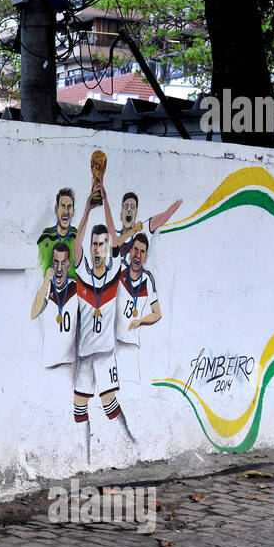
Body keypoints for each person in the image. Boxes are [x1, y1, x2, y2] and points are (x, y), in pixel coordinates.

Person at [72, 223, 135, 462]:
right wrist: (88, 208)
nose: (98, 249)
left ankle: (130, 443)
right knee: (79, 405)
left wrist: (105, 198)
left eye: (102, 244)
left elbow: (117, 239)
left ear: (108, 248)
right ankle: (85, 459)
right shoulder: (83, 275)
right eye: (94, 244)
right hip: (85, 355)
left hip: (106, 353)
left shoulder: (114, 272)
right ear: (89, 248)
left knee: (109, 402)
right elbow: (75, 245)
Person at [115, 232, 161, 382]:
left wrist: (140, 321)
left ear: (146, 256)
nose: (138, 255)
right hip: (112, 344)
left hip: (131, 347)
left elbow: (157, 313)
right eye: (135, 249)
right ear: (129, 251)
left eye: (142, 251)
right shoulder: (119, 270)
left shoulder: (148, 279)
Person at [30, 243, 78, 369]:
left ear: (68, 265)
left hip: (69, 364)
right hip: (48, 365)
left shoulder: (75, 289)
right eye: (56, 262)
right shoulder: (46, 287)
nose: (59, 268)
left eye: (63, 262)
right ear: (52, 264)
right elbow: (34, 313)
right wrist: (46, 279)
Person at [112, 191, 182, 263]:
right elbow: (110, 249)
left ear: (136, 212)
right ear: (121, 212)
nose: (129, 210)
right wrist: (131, 232)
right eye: (126, 207)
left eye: (133, 207)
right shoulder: (112, 234)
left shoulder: (145, 227)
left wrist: (181, 199)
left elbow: (166, 215)